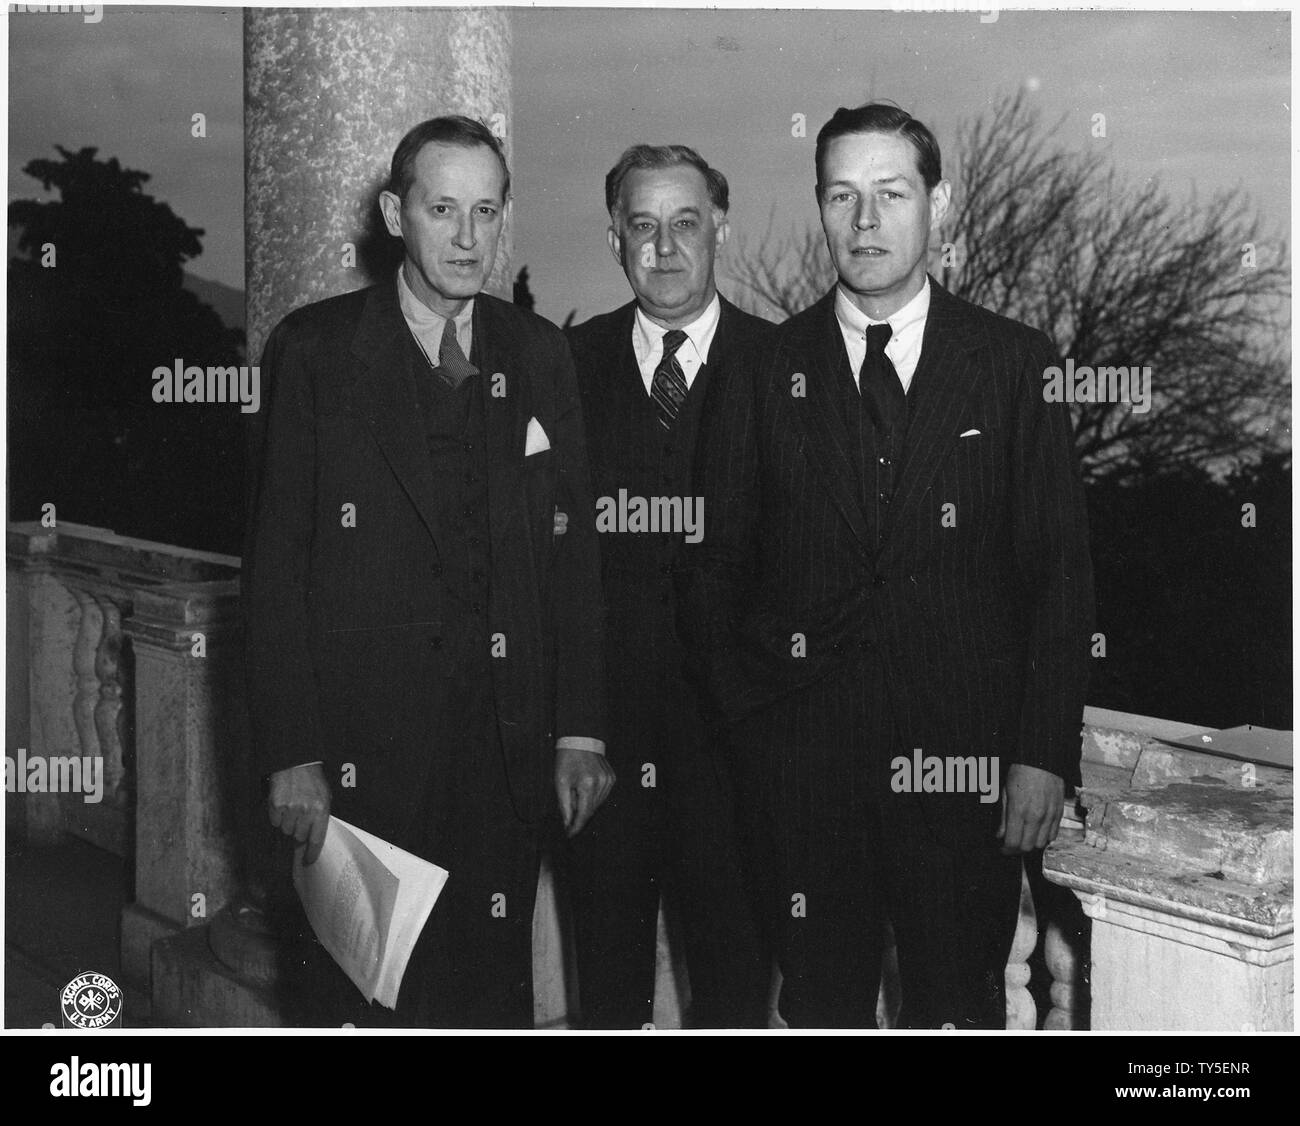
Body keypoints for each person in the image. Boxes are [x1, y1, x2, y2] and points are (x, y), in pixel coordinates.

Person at [678, 104, 1095, 1028]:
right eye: (841, 196)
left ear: (937, 208)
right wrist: (754, 738)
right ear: (820, 208)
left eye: (891, 194)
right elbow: (711, 574)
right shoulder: (759, 371)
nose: (864, 222)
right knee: (821, 1008)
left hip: (966, 785)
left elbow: (1059, 577)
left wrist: (1040, 755)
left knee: (958, 1009)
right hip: (803, 792)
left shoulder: (1015, 365)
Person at [243, 115, 613, 1029]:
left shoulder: (538, 355)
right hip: (364, 755)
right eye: (442, 208)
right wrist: (293, 752)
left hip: (506, 749)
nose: (466, 237)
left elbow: (572, 556)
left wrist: (579, 730)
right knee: (364, 997)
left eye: (485, 212)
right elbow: (278, 564)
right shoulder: (315, 352)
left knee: (489, 999)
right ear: (394, 213)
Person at [561, 144, 773, 1028]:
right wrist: (570, 729)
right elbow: (546, 560)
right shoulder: (563, 366)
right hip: (600, 753)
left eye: (685, 223)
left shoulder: (787, 367)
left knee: (733, 989)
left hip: (738, 758)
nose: (665, 247)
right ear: (615, 239)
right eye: (641, 227)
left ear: (719, 227)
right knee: (607, 991)